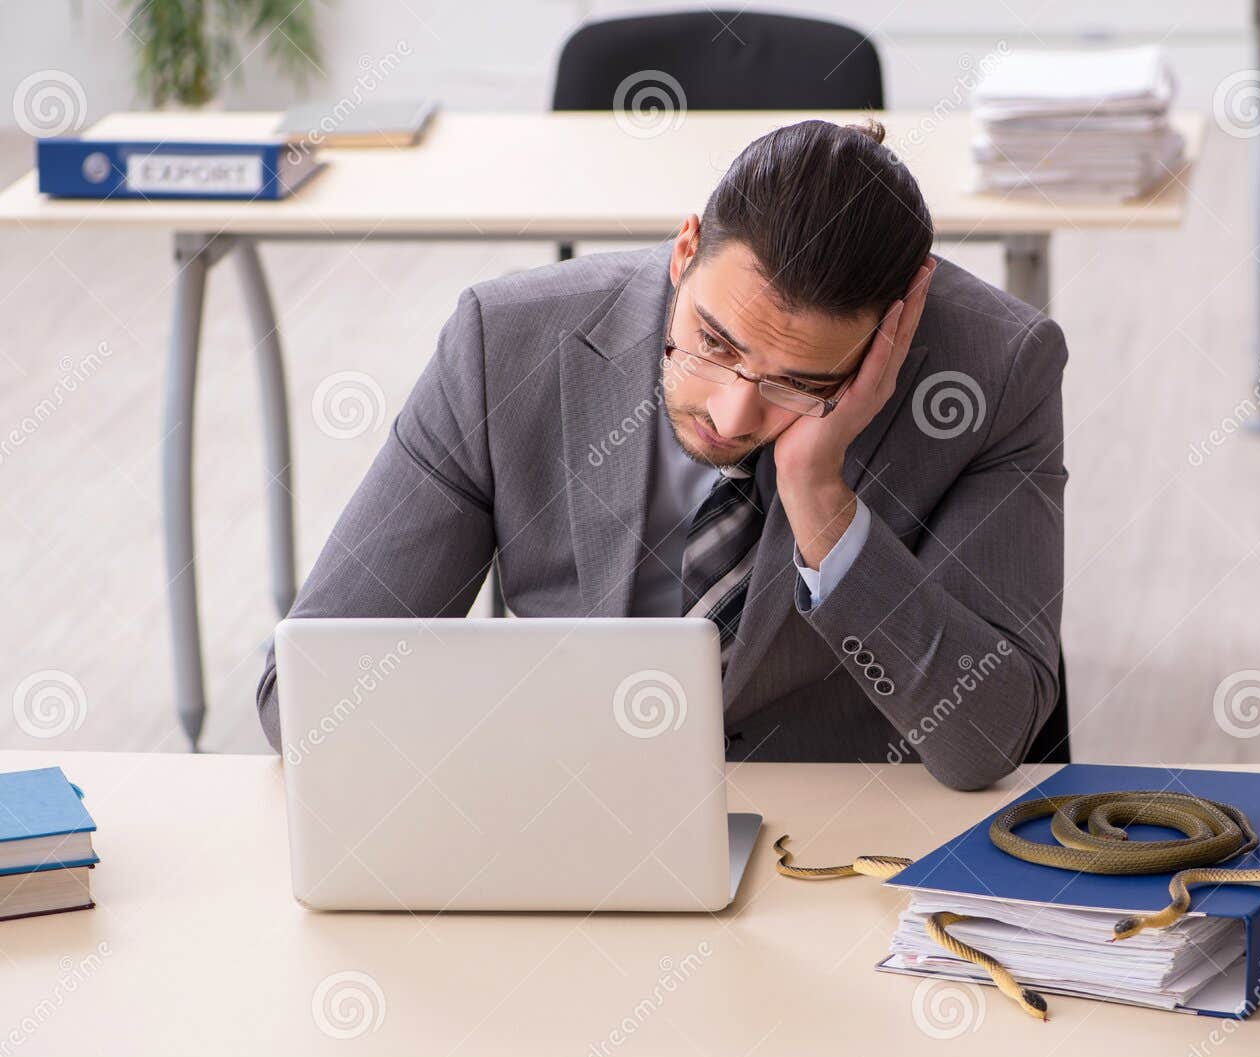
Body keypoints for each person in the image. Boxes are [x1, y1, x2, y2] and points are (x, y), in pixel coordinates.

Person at [257, 118, 1068, 790]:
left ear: (894, 333)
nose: (731, 411)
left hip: (838, 851)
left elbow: (983, 743)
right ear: (686, 250)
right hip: (563, 820)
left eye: (800, 381)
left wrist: (821, 496)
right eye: (714, 343)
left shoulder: (996, 371)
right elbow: (298, 703)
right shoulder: (503, 343)